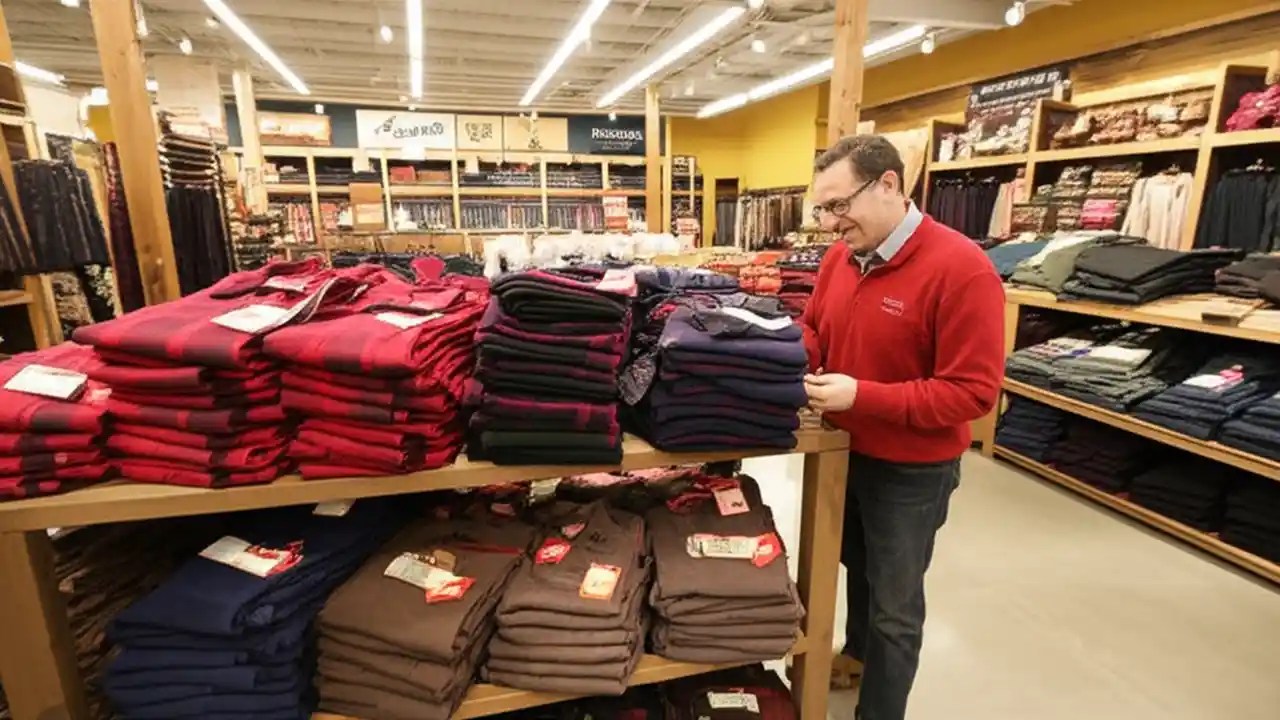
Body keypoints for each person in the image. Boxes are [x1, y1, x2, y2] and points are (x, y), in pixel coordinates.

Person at [801, 135, 1004, 720]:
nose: (830, 223)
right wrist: (782, 356)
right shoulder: (840, 258)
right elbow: (815, 328)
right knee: (856, 567)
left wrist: (862, 396)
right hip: (842, 450)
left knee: (895, 606)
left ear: (888, 184)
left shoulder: (962, 269)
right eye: (823, 209)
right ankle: (857, 655)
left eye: (840, 205)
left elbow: (972, 393)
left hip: (912, 471)